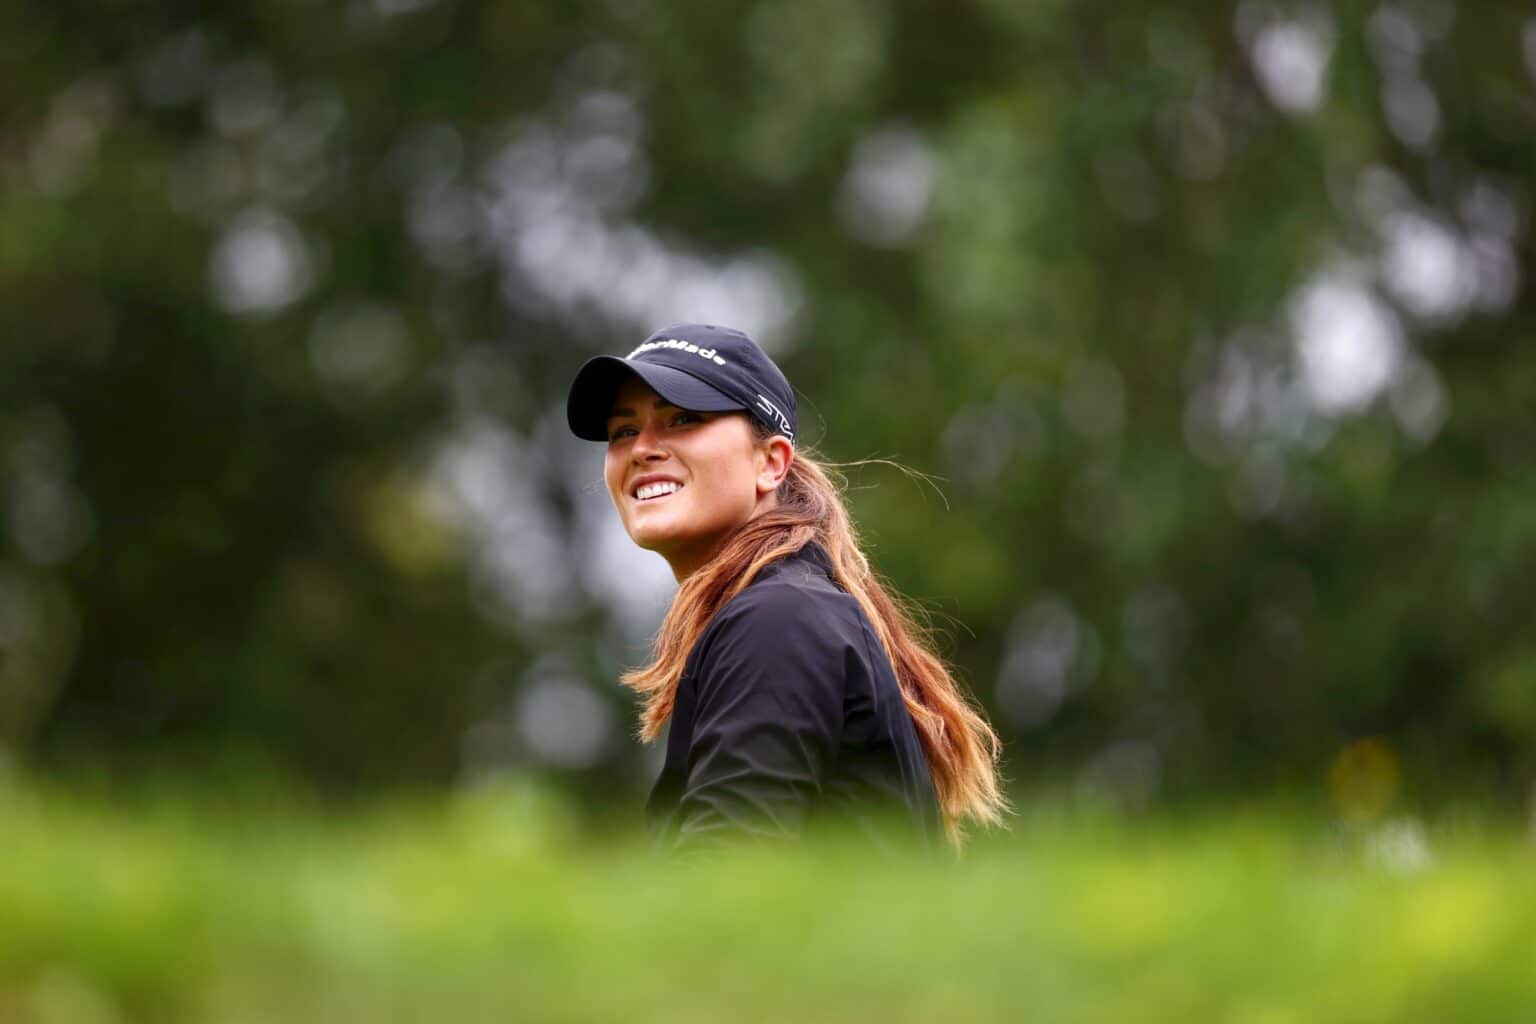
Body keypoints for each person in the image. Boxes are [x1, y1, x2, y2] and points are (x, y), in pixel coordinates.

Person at [566, 323, 1006, 854]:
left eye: (682, 419)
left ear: (770, 462)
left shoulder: (777, 618)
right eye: (623, 432)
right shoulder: (789, 605)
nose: (643, 449)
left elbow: (728, 881)